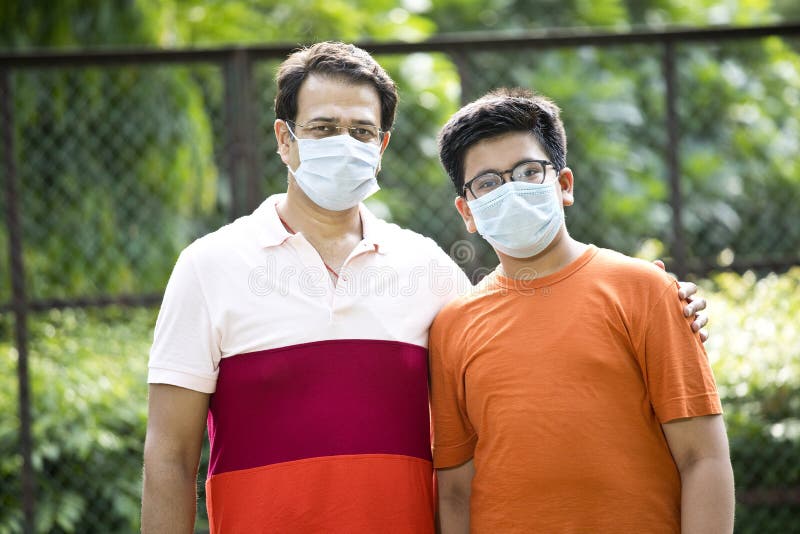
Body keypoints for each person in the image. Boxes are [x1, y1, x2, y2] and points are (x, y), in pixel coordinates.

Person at [141, 42, 708, 533]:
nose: (344, 142)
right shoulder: (207, 266)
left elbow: (520, 328)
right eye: (322, 128)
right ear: (284, 140)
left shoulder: (431, 269)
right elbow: (170, 455)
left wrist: (666, 302)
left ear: (381, 147)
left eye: (361, 130)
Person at [430, 88, 734, 533]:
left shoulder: (645, 290)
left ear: (564, 184)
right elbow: (455, 489)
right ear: (467, 212)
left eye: (528, 171)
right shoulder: (452, 326)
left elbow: (703, 458)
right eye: (488, 183)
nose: (510, 190)